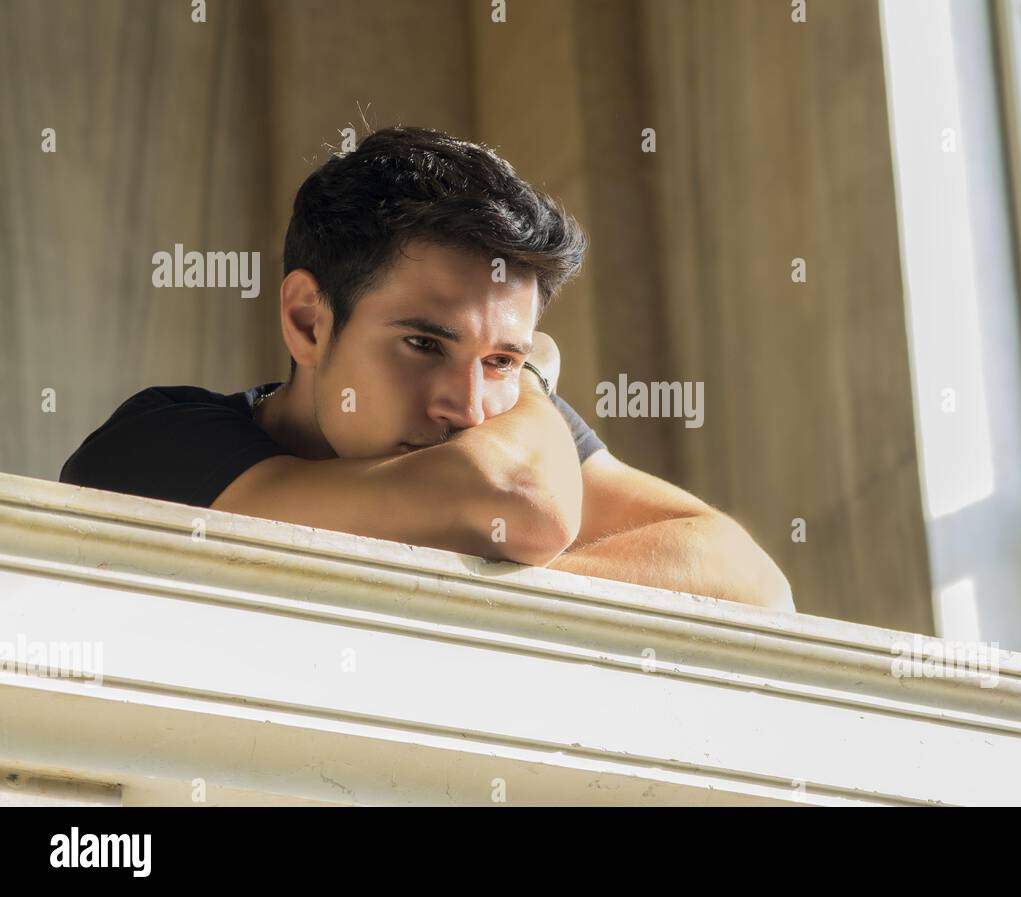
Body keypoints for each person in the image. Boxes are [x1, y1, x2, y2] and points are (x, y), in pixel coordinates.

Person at [60, 127, 793, 612]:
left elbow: (753, 580)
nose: (469, 408)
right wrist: (534, 378)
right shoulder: (157, 446)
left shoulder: (496, 418)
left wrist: (492, 596)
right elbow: (521, 496)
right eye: (423, 345)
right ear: (308, 321)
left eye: (503, 357)